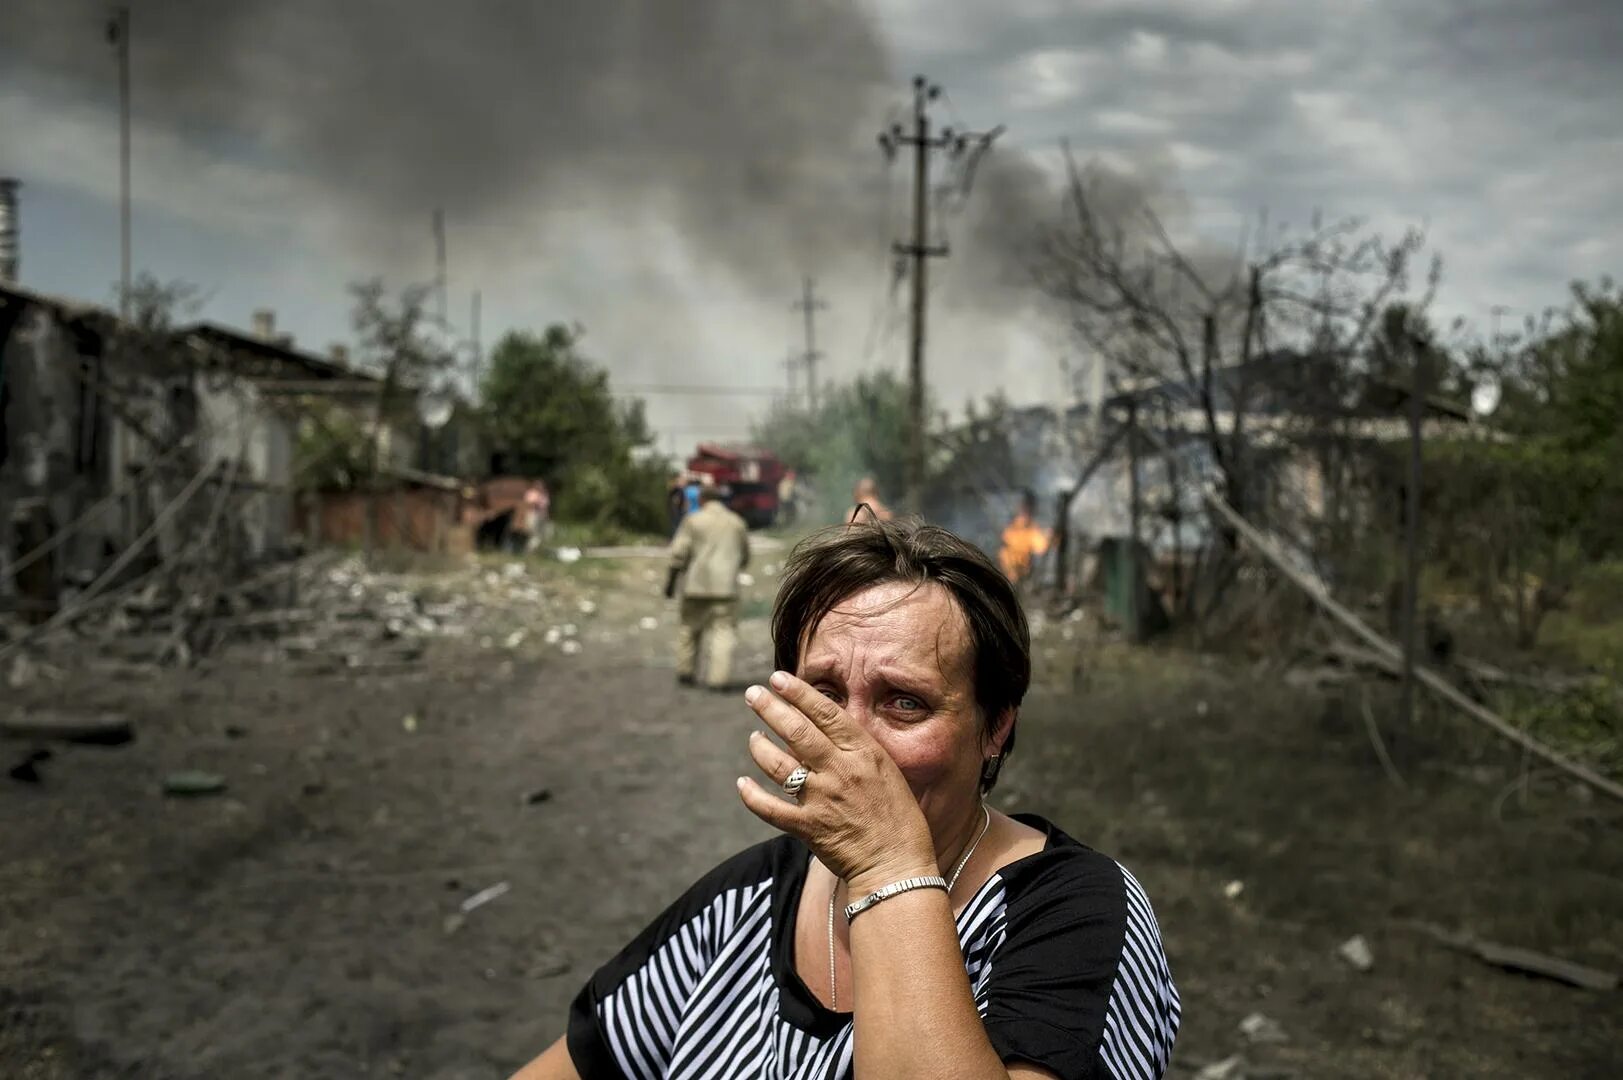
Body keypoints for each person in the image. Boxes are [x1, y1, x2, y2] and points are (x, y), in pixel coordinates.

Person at [513, 517, 1180, 1080]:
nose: (849, 744)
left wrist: (888, 867)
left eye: (904, 702)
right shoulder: (744, 903)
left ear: (996, 726)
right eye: (824, 694)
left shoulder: (1074, 911)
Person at [664, 480, 750, 691]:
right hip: (725, 588)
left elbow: (678, 554)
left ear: (701, 500)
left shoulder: (693, 521)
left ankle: (685, 672)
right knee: (723, 632)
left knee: (689, 629)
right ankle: (718, 680)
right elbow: (745, 556)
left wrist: (671, 582)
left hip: (695, 586)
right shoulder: (736, 522)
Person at [999, 488, 1052, 585]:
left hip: (1020, 575)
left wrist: (1050, 538)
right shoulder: (1012, 528)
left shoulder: (1031, 528)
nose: (1027, 512)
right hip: (1011, 574)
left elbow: (1040, 547)